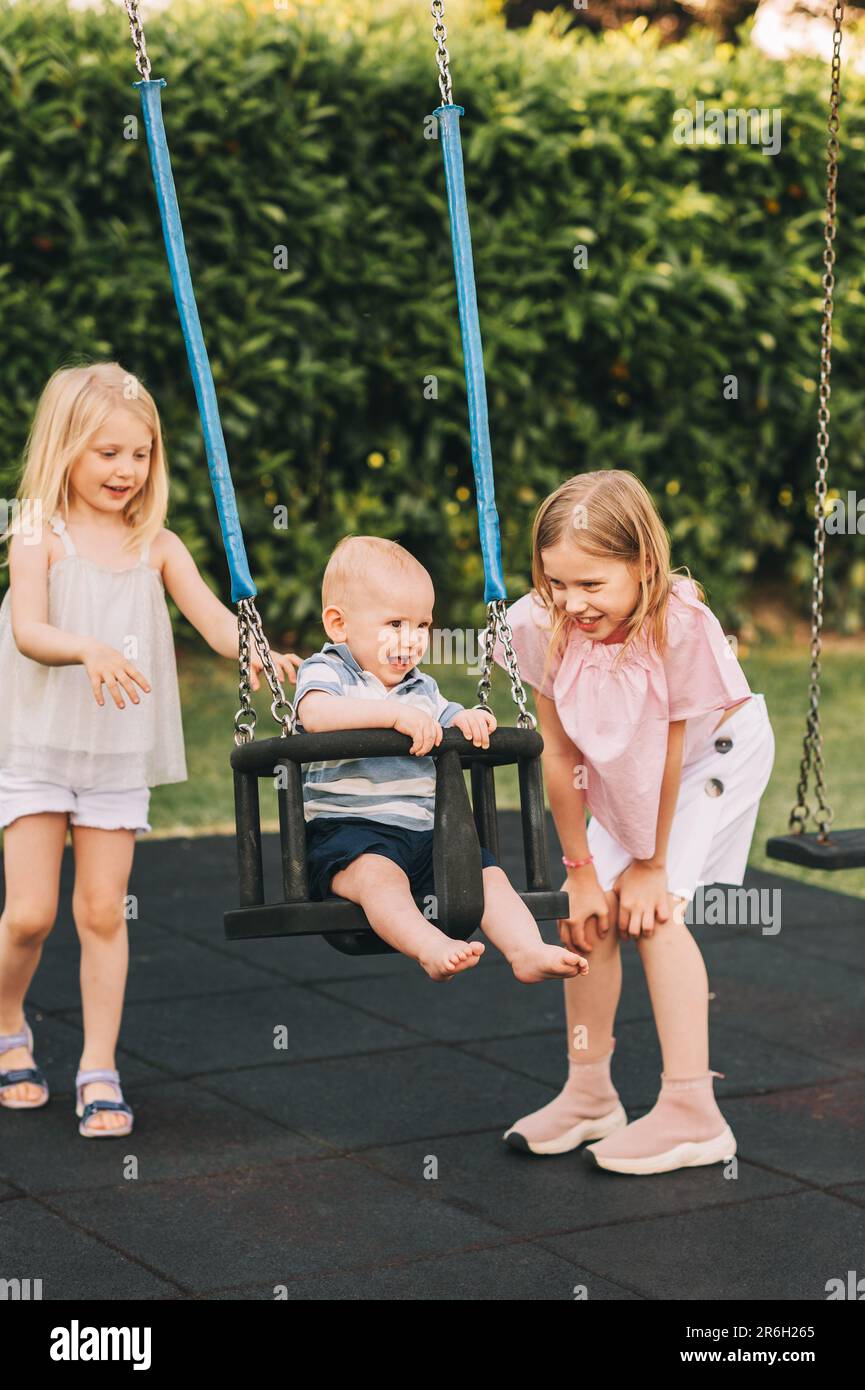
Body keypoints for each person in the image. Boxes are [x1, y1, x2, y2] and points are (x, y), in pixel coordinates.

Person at [0, 362, 299, 1135]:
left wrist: (265, 659)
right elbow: (29, 630)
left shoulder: (155, 544)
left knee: (102, 910)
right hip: (34, 747)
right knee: (29, 915)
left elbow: (216, 627)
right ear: (65, 449)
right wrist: (87, 649)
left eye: (140, 453)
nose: (126, 470)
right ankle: (8, 1022)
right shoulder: (38, 534)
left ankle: (98, 1066)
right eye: (107, 454)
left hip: (112, 754)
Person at [493, 470, 775, 1175]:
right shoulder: (536, 623)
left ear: (642, 566)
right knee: (584, 916)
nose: (572, 602)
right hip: (624, 763)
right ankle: (589, 1094)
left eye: (592, 585)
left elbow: (673, 745)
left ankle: (692, 1113)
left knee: (649, 914)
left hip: (713, 751)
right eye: (558, 582)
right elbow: (558, 754)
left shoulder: (676, 623)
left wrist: (648, 867)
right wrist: (578, 872)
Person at [292, 534, 590, 984]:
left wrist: (470, 719)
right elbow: (315, 715)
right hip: (350, 837)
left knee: (487, 875)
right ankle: (429, 946)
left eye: (422, 626)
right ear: (338, 624)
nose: (411, 641)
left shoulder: (422, 689)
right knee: (380, 879)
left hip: (426, 835)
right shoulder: (328, 671)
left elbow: (447, 715)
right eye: (395, 623)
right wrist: (393, 716)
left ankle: (526, 950)